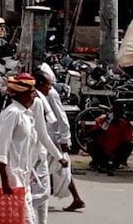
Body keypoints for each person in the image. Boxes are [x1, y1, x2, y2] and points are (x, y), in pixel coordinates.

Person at [0, 74, 39, 224]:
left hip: (22, 176)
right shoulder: (12, 113)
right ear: (22, 94)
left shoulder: (26, 114)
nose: (34, 95)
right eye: (32, 92)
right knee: (23, 219)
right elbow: (0, 149)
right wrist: (5, 182)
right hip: (11, 176)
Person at [35, 66, 85, 212]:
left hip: (53, 138)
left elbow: (61, 118)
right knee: (59, 169)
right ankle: (76, 198)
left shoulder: (51, 94)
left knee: (51, 168)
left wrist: (64, 139)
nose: (49, 87)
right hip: (45, 138)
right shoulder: (37, 95)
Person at [28, 73, 69, 224]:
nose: (50, 88)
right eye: (48, 85)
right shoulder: (37, 102)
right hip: (34, 155)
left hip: (40, 153)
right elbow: (42, 134)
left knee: (43, 195)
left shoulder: (42, 98)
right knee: (34, 197)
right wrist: (59, 156)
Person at [88, 102, 133, 175]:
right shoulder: (102, 121)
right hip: (102, 151)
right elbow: (92, 136)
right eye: (115, 112)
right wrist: (103, 126)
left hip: (116, 152)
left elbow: (128, 141)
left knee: (129, 145)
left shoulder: (125, 124)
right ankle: (99, 162)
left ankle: (116, 163)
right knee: (91, 143)